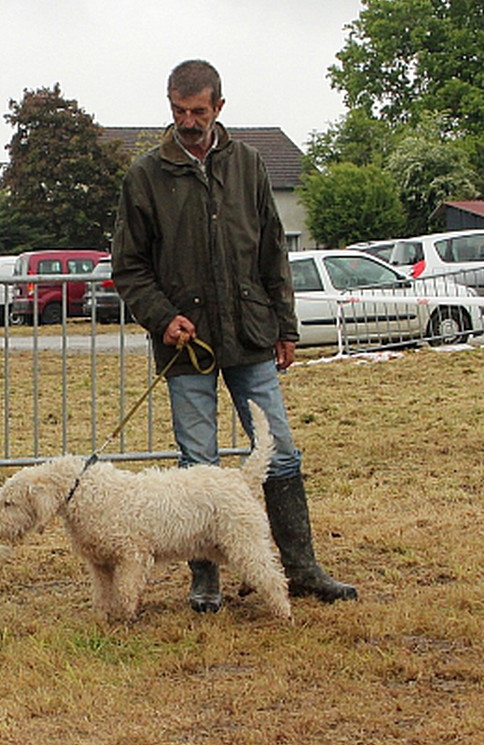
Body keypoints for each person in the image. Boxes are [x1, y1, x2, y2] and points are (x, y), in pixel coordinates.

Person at [110, 59, 357, 611]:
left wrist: (285, 325)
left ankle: (300, 568)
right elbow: (128, 267)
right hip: (185, 344)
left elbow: (273, 250)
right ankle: (206, 580)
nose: (188, 121)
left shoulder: (248, 163)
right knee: (197, 465)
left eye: (198, 111)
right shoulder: (145, 176)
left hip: (251, 335)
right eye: (178, 111)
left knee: (282, 453)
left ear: (220, 107)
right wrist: (161, 316)